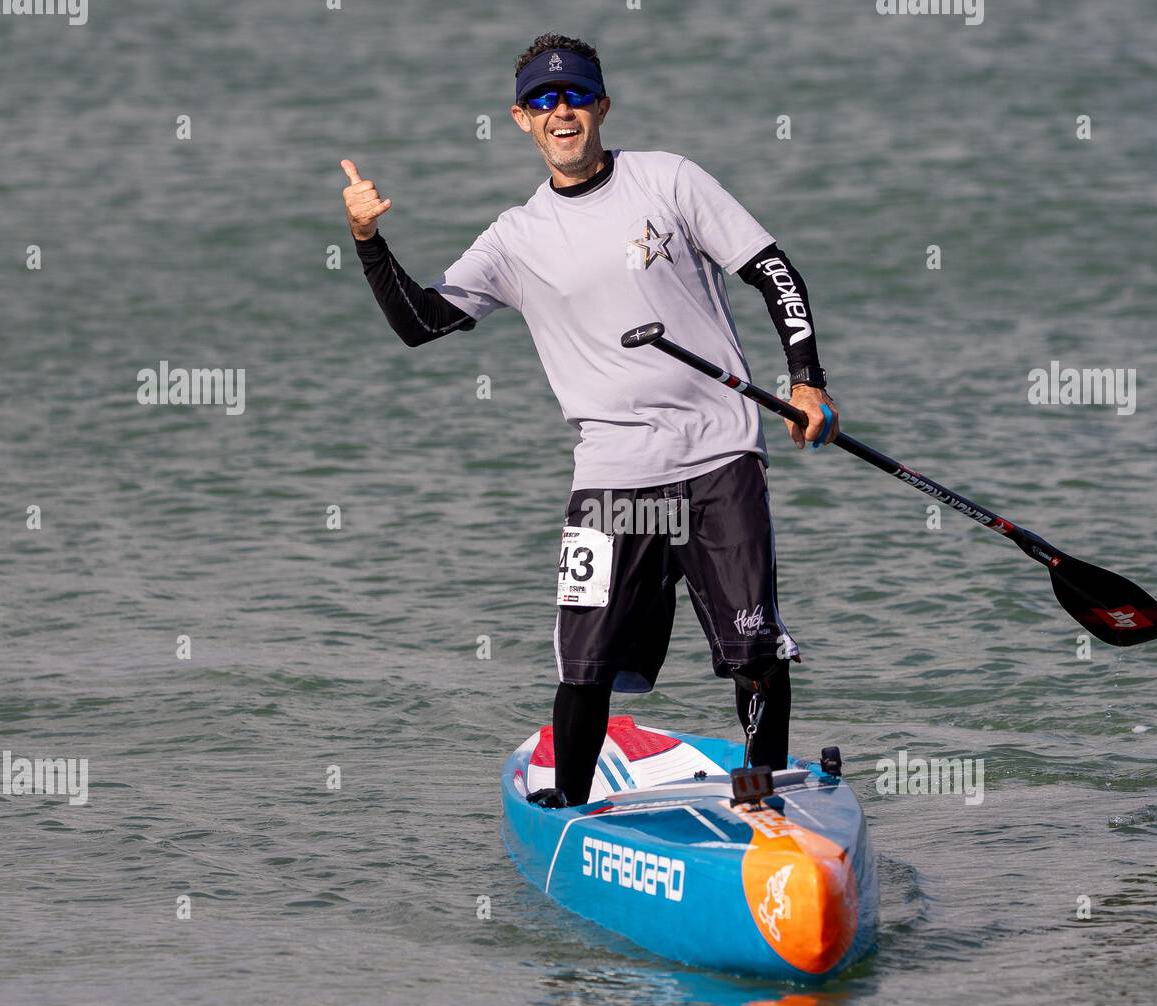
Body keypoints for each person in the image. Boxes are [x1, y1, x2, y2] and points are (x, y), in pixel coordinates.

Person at [341, 33, 838, 806]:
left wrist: (806, 383)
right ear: (520, 119)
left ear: (602, 106)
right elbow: (418, 321)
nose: (561, 110)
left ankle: (762, 801)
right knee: (584, 666)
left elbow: (774, 272)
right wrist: (369, 242)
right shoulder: (515, 239)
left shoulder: (668, 181)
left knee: (756, 651)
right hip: (612, 475)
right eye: (544, 100)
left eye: (575, 95)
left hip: (719, 456)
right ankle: (569, 810)